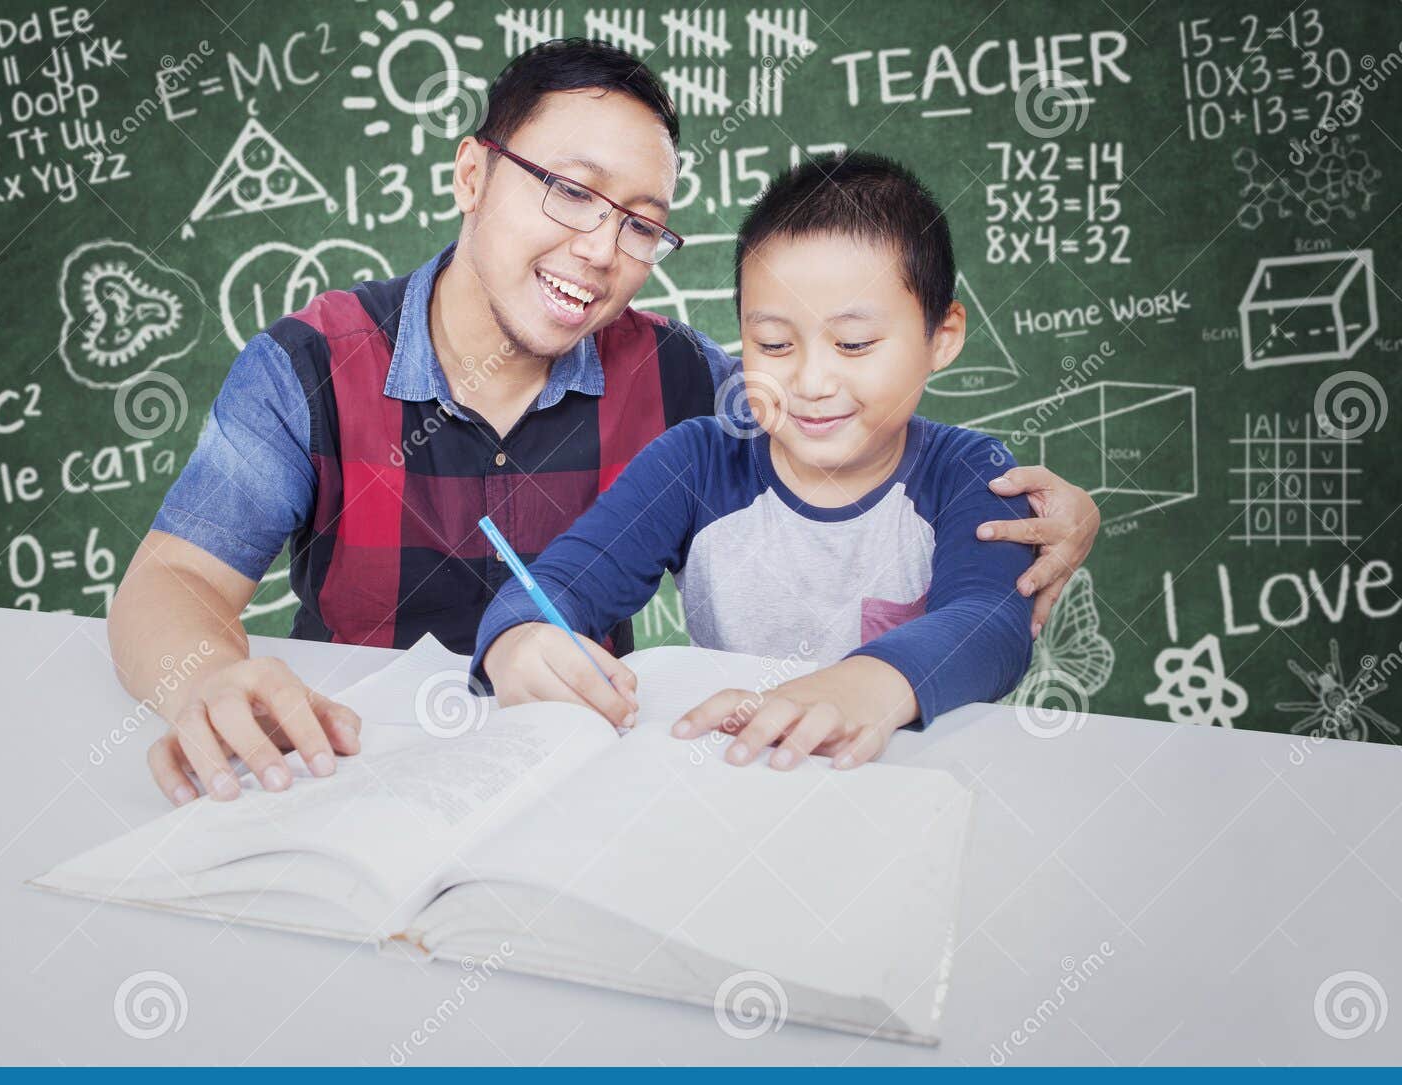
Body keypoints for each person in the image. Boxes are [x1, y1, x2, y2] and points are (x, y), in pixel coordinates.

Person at [108, 40, 1102, 806]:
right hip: (346, 767)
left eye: (639, 220)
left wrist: (1045, 511)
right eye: (572, 192)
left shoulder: (681, 379)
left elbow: (844, 422)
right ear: (472, 174)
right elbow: (176, 580)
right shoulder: (309, 362)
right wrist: (206, 679)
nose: (599, 247)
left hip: (589, 777)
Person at [475, 152, 1037, 769]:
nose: (812, 380)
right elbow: (557, 584)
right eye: (774, 344)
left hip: (908, 789)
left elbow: (992, 623)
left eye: (853, 344)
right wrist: (518, 637)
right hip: (743, 781)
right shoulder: (697, 463)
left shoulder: (970, 472)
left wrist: (865, 684)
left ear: (943, 336)